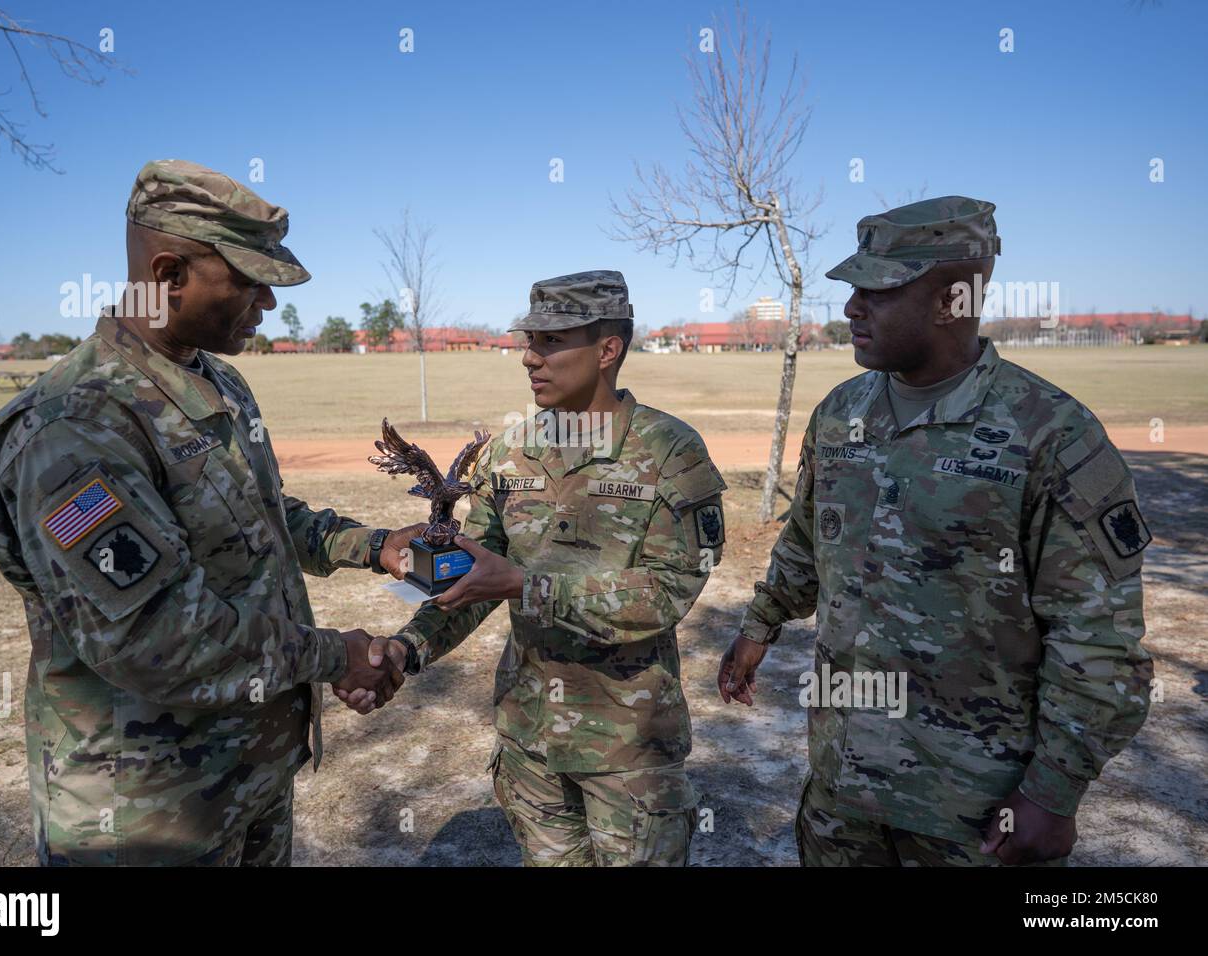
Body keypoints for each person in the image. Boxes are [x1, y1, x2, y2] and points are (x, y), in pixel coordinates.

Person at [0, 159, 423, 866]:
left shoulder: (218, 383)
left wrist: (375, 545)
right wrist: (336, 655)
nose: (267, 301)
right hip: (148, 815)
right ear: (168, 272)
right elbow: (157, 638)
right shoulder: (76, 425)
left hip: (249, 780)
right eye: (248, 278)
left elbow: (262, 514)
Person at [719, 197, 1153, 866]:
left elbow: (1097, 637)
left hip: (972, 814)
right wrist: (759, 626)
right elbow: (809, 538)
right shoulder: (840, 415)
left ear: (954, 297)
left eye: (878, 288)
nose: (851, 308)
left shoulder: (1051, 434)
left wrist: (1055, 790)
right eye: (853, 287)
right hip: (842, 791)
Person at [349, 270, 727, 865]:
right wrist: (406, 648)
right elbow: (465, 575)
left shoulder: (669, 451)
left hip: (628, 754)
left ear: (608, 350)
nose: (529, 357)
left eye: (551, 342)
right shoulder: (508, 451)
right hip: (530, 743)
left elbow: (665, 595)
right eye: (529, 340)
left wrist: (526, 584)